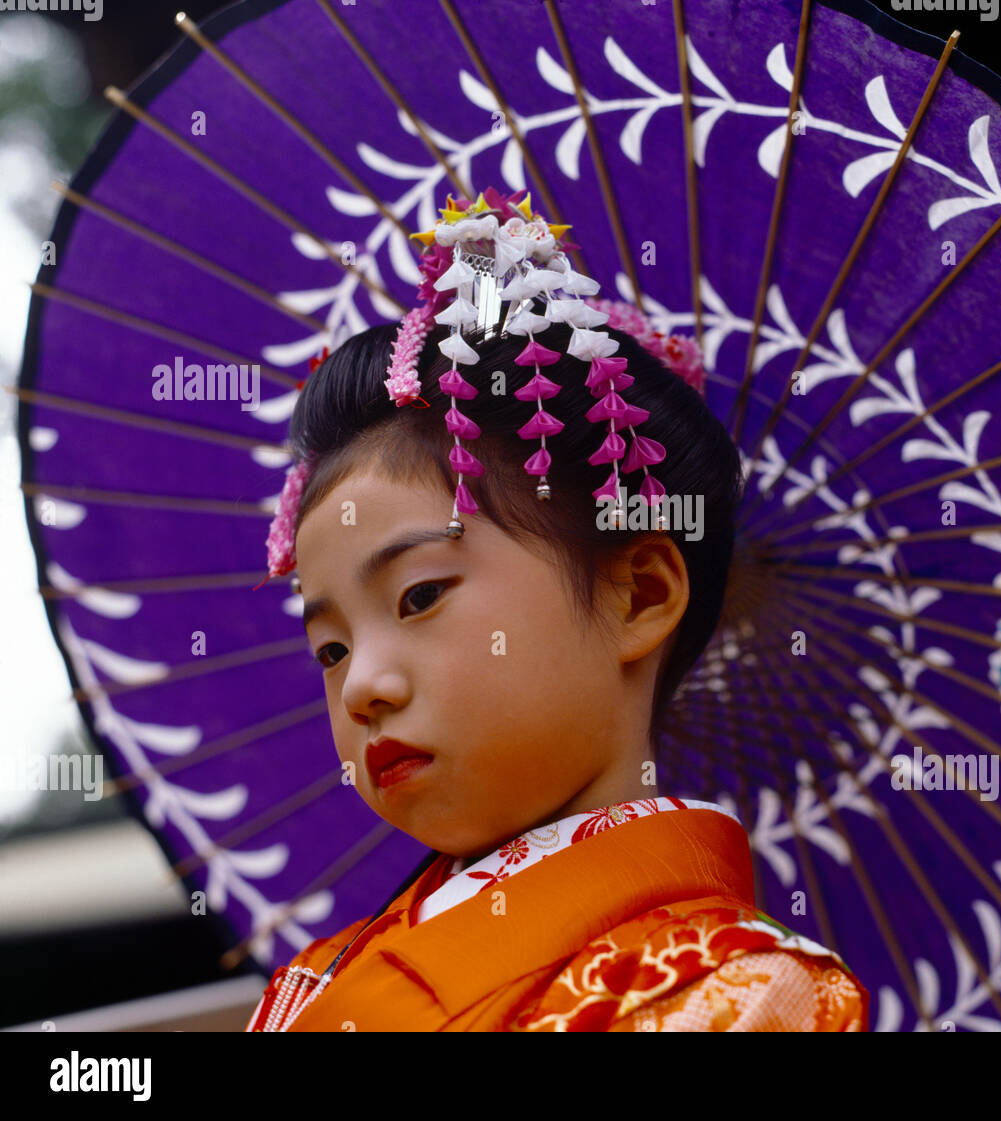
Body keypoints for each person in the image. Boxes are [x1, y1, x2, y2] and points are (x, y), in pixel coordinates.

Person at [244, 189, 870, 1031]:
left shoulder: (740, 993)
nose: (363, 685)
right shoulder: (316, 981)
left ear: (639, 594)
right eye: (330, 648)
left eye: (420, 595)